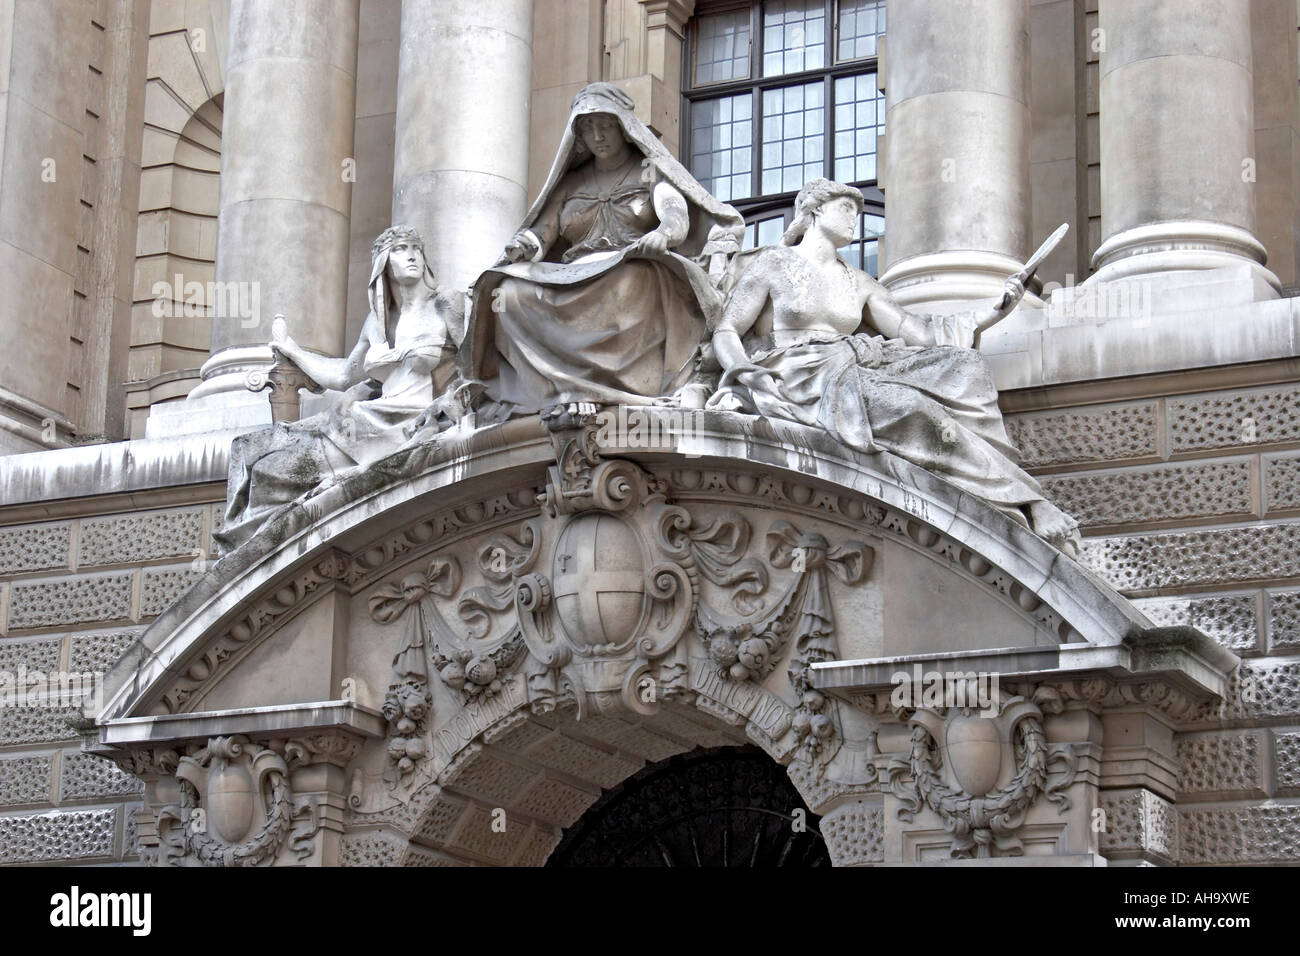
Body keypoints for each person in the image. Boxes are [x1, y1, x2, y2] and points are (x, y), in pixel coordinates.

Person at [706, 178, 1080, 551]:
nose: (856, 218)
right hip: (799, 374)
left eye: (858, 210)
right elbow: (727, 330)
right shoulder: (775, 263)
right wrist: (743, 370)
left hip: (852, 363)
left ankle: (1014, 493)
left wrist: (992, 311)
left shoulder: (858, 281)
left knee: (966, 366)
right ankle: (1027, 502)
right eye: (845, 208)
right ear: (816, 210)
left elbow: (916, 332)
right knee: (915, 411)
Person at [464, 82, 745, 419]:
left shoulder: (649, 171)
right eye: (588, 127)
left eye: (606, 125)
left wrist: (664, 234)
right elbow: (542, 233)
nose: (598, 135)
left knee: (634, 278)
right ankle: (558, 386)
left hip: (628, 263)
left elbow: (675, 213)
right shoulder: (571, 183)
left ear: (624, 127)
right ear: (578, 134)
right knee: (507, 293)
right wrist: (524, 246)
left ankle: (619, 385)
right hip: (570, 273)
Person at [216, 226, 467, 552]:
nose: (411, 256)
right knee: (256, 459)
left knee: (269, 477)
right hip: (363, 422)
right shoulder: (378, 322)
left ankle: (264, 558)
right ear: (383, 264)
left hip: (408, 424)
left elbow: (473, 362)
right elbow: (344, 375)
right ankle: (252, 561)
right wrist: (294, 351)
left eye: (416, 248)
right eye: (401, 248)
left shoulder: (446, 303)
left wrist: (452, 404)